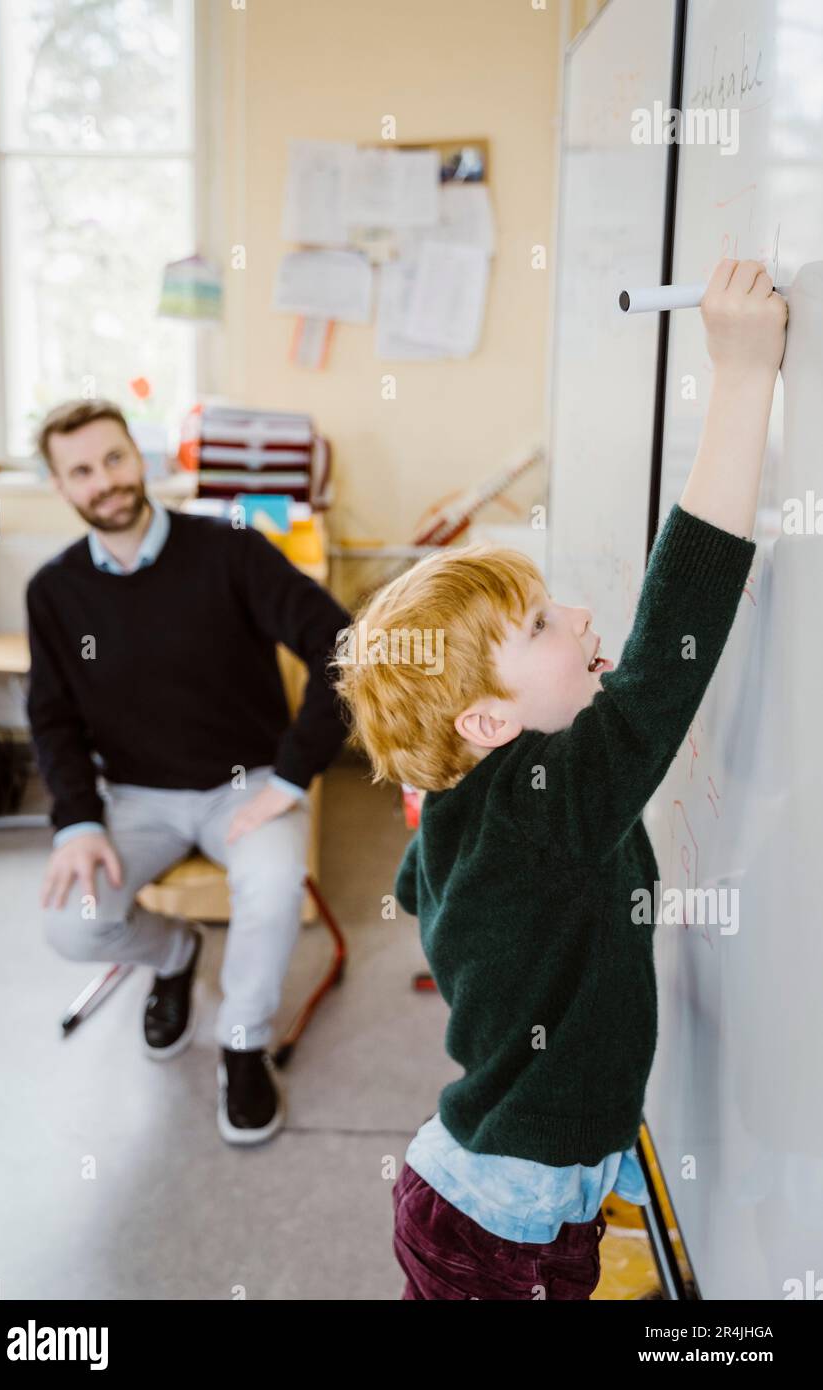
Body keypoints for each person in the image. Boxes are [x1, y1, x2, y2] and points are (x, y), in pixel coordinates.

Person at [330, 257, 787, 1298]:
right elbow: (668, 648)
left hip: (490, 1193)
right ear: (487, 721)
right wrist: (742, 380)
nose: (580, 617)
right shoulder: (542, 806)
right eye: (541, 625)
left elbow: (424, 883)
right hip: (507, 1229)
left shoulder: (480, 800)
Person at [26, 399, 351, 1145]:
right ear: (60, 485)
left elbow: (342, 644)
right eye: (81, 470)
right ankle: (175, 954)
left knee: (271, 883)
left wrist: (293, 776)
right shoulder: (54, 590)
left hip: (250, 784)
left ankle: (242, 1044)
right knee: (68, 924)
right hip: (135, 797)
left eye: (114, 458)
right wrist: (75, 819)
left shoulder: (229, 549)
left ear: (140, 459)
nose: (103, 481)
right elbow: (53, 719)